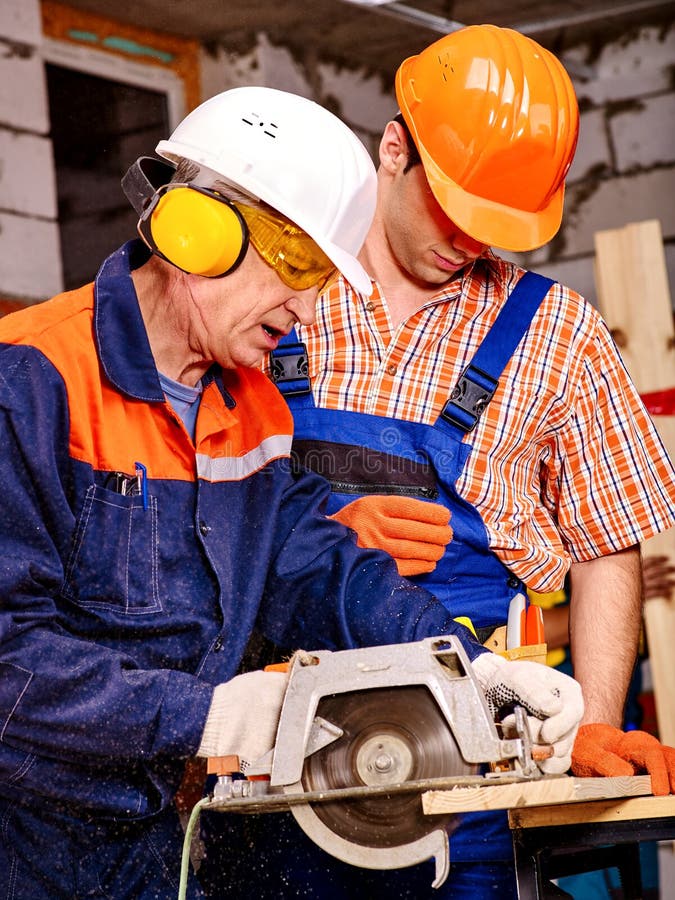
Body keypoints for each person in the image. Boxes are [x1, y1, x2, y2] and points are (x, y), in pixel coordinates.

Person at [0, 85, 585, 900]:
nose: (306, 309)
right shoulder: (29, 380)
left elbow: (322, 571)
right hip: (27, 849)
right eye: (300, 266)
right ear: (197, 231)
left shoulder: (250, 408)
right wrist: (209, 716)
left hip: (163, 841)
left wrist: (472, 671)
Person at [204, 25, 675, 900]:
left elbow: (606, 542)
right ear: (393, 151)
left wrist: (591, 726)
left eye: (497, 229)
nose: (468, 245)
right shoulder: (280, 289)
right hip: (269, 746)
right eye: (454, 213)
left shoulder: (557, 332)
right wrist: (320, 534)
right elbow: (189, 491)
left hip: (475, 752)